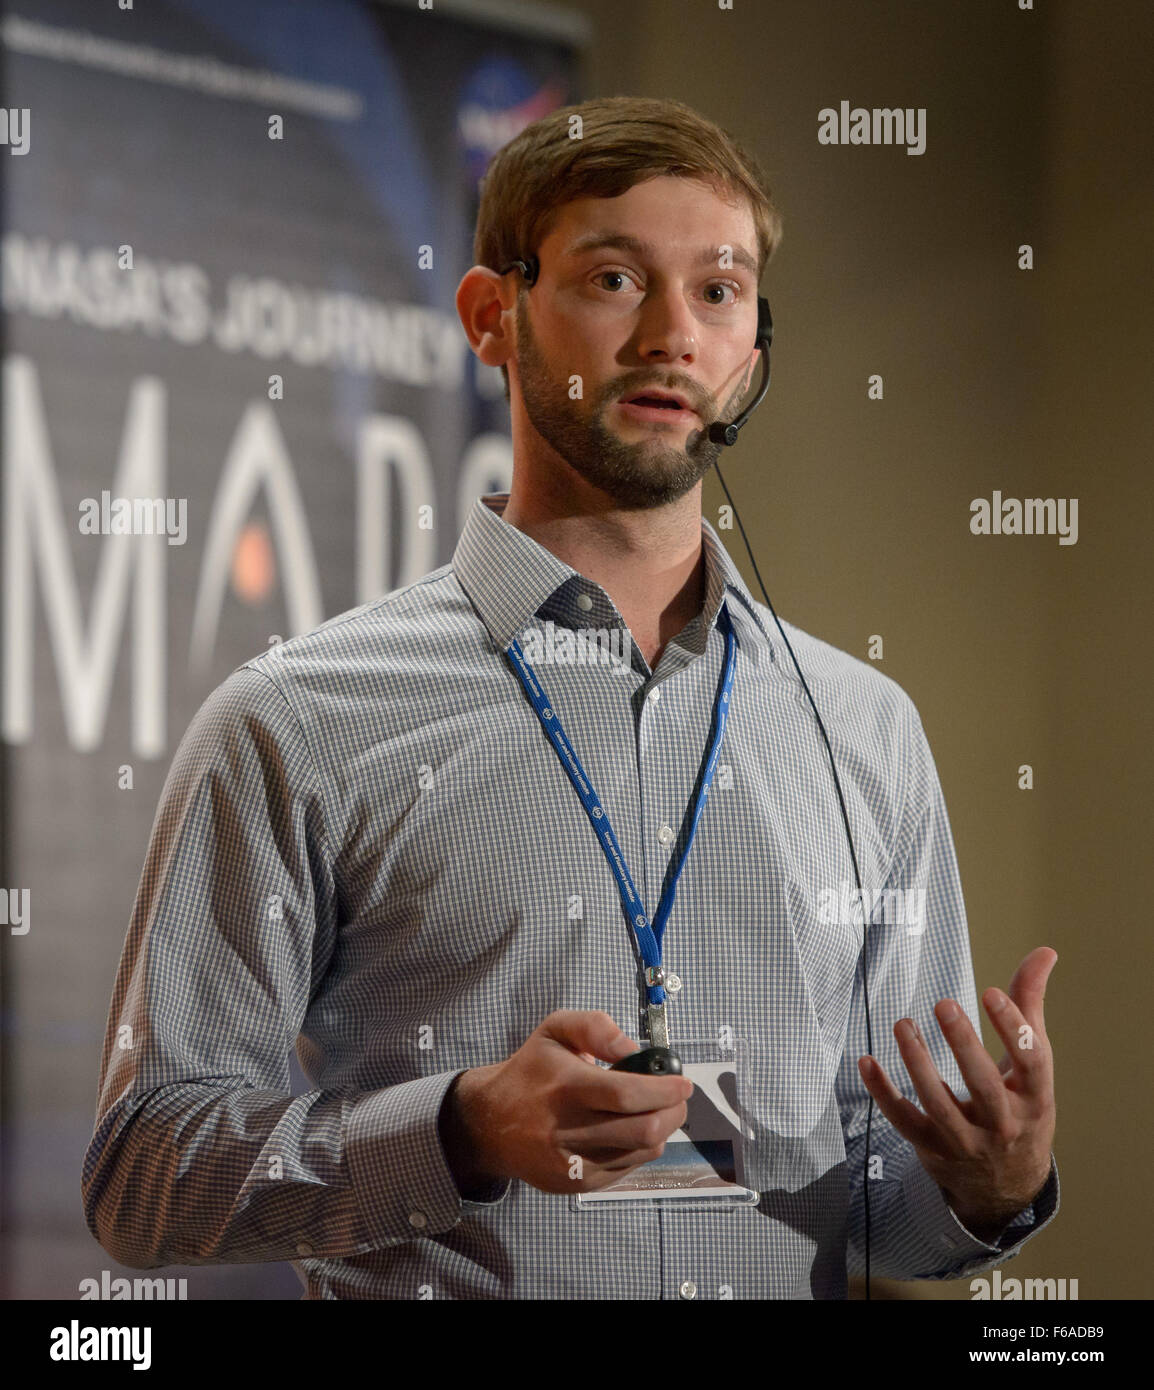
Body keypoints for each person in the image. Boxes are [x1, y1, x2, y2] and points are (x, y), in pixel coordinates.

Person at [82, 95, 1058, 1300]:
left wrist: (988, 1187)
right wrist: (457, 1129)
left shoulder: (863, 730)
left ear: (752, 344)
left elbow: (869, 1212)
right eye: (612, 278)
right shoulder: (297, 721)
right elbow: (141, 1178)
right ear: (494, 316)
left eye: (717, 288)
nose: (670, 335)